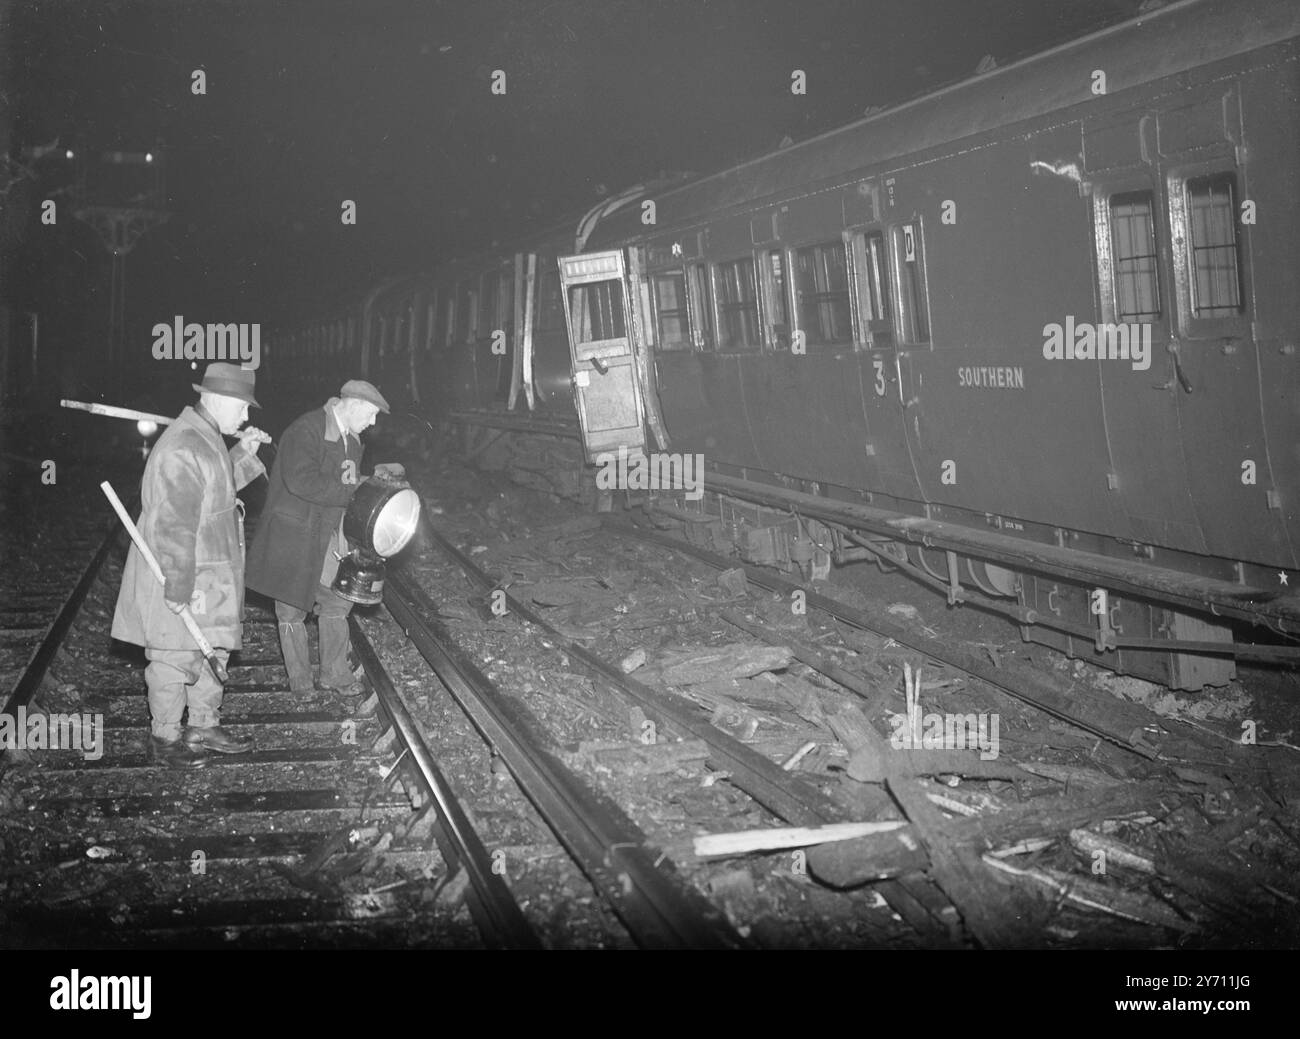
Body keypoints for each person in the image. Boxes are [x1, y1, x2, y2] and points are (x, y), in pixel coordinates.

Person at [111, 362, 271, 768]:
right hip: (185, 573)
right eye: (243, 406)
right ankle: (165, 737)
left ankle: (202, 724)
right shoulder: (184, 446)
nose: (246, 415)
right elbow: (174, 526)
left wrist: (243, 455)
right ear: (218, 399)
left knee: (211, 650)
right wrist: (179, 589)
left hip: (211, 573)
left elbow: (214, 489)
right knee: (174, 655)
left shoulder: (206, 437)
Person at [246, 380, 391, 700]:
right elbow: (302, 481)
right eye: (370, 414)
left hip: (330, 534)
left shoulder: (352, 440)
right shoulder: (306, 430)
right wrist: (356, 489)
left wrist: (367, 492)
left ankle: (334, 674)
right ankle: (300, 681)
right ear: (351, 405)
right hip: (294, 533)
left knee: (338, 602)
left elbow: (348, 487)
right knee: (291, 609)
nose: (373, 423)